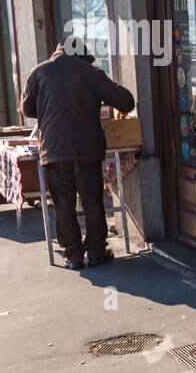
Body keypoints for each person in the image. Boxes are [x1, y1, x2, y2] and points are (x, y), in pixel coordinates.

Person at [21, 38, 135, 269]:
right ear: (81, 55)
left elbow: (27, 109)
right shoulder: (89, 72)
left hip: (53, 149)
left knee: (63, 203)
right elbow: (126, 101)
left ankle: (73, 255)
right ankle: (96, 252)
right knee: (92, 200)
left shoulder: (38, 72)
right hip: (86, 148)